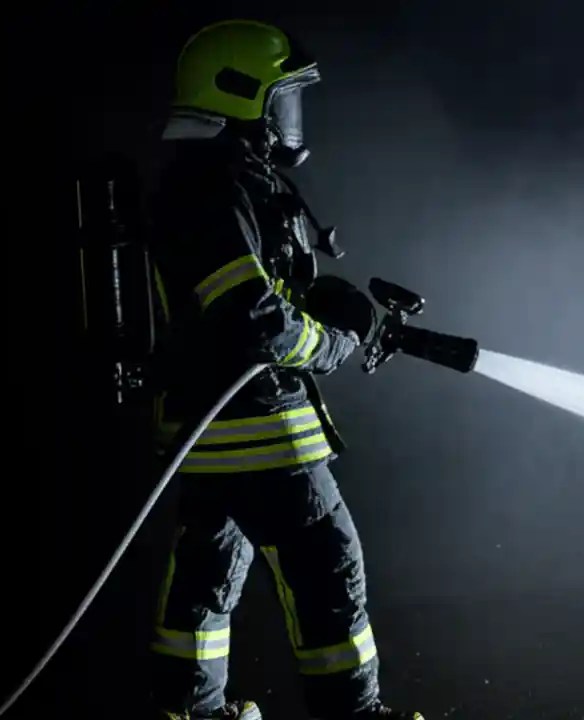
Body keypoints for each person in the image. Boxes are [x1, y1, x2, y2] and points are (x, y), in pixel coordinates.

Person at [146, 19, 423, 720]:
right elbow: (251, 316)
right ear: (240, 96)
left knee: (203, 589)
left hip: (207, 435)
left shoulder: (210, 182)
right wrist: (332, 344)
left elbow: (250, 295)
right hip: (262, 432)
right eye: (282, 99)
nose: (289, 119)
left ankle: (190, 711)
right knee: (330, 570)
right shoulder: (213, 186)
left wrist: (334, 305)